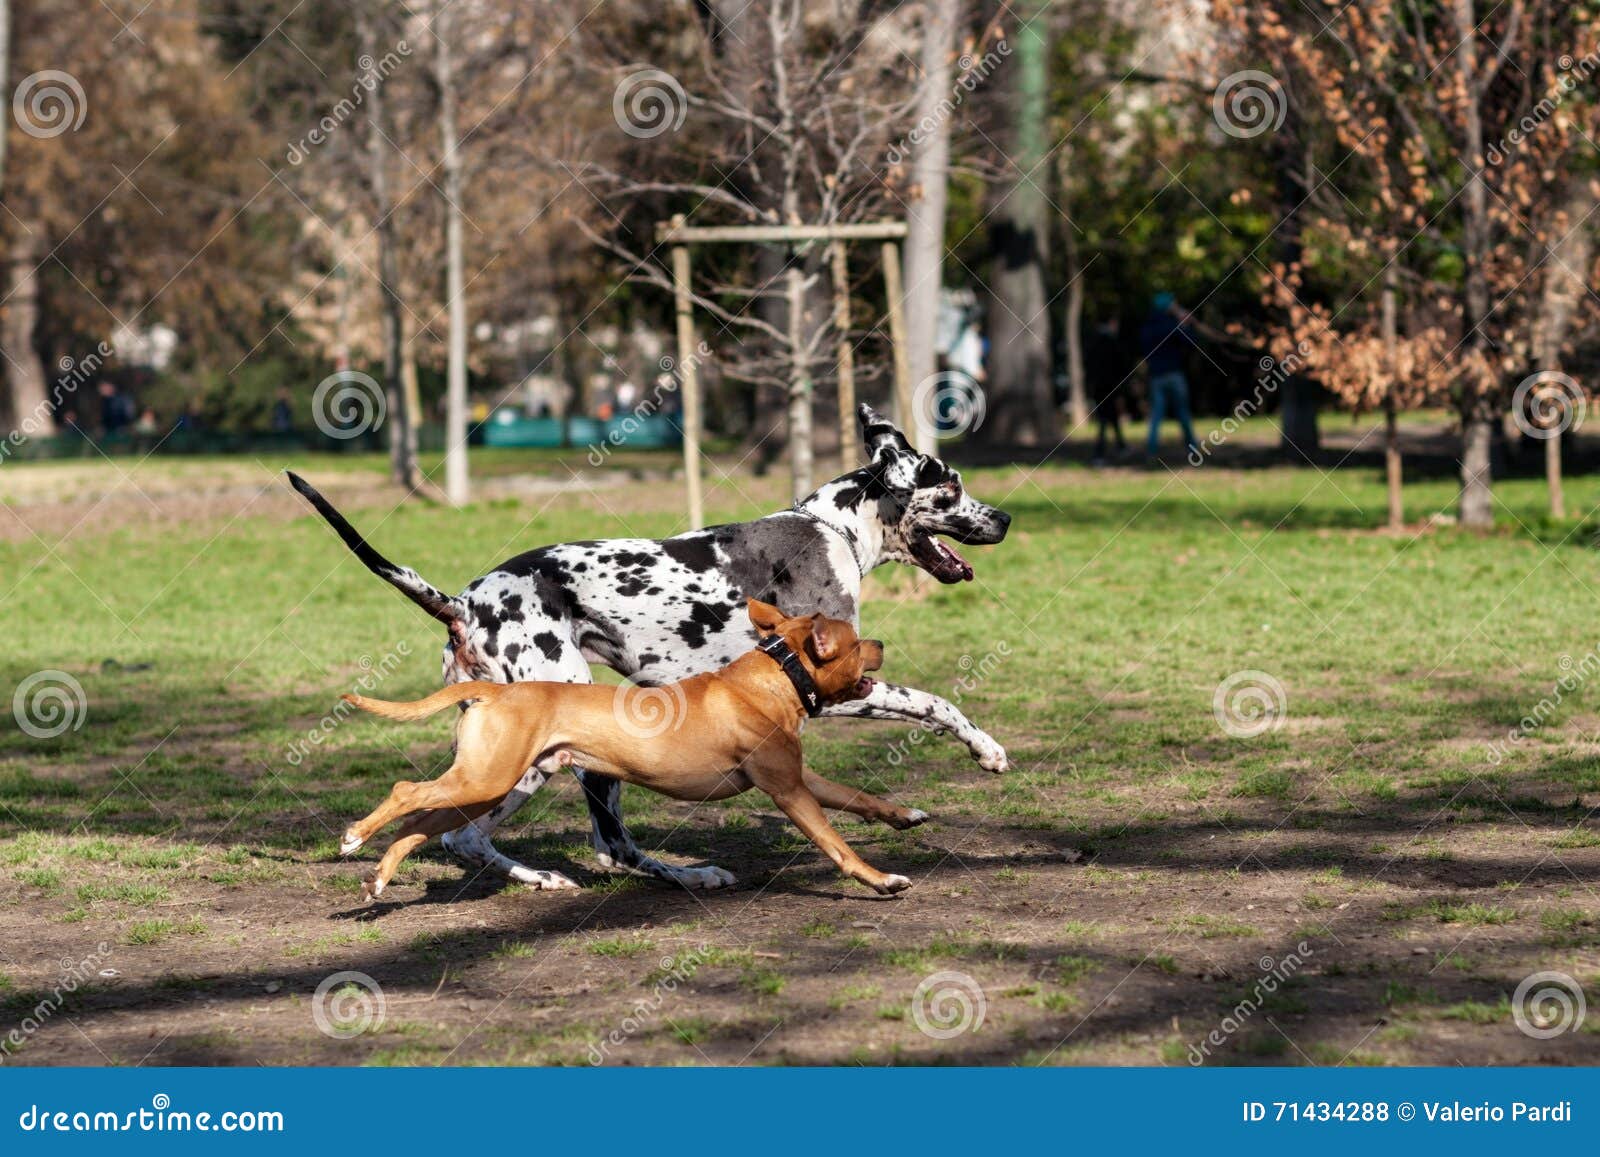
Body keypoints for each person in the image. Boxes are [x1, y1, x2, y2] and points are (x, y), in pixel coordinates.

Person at [1139, 291, 1199, 461]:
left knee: (1156, 416)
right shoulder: (1172, 325)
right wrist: (1186, 324)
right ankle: (1192, 449)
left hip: (1156, 376)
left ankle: (1151, 450)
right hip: (1174, 374)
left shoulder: (1147, 327)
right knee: (1183, 414)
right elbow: (1191, 342)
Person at [1085, 317, 1129, 464]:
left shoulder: (1093, 342)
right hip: (1109, 387)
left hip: (1099, 387)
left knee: (1110, 418)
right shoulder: (1111, 342)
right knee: (1105, 420)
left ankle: (1120, 446)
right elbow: (1120, 366)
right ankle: (1100, 454)